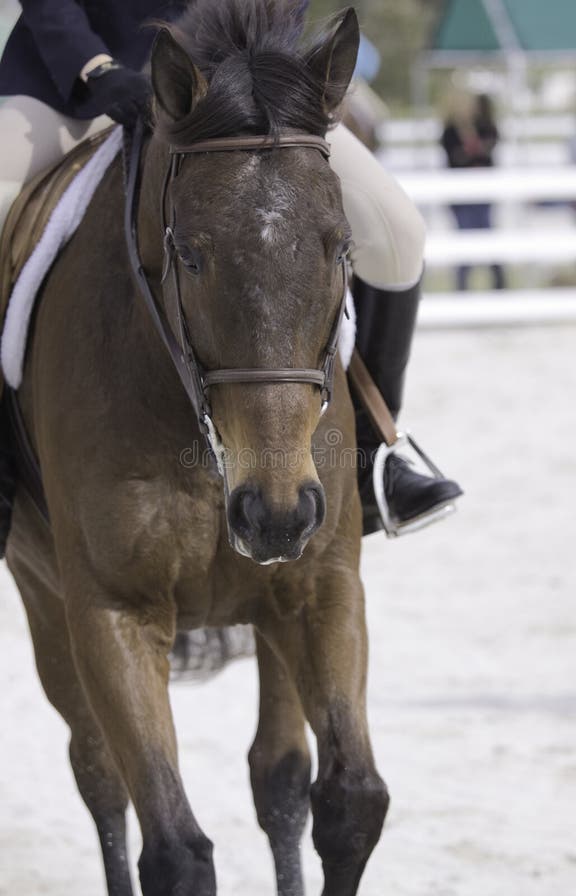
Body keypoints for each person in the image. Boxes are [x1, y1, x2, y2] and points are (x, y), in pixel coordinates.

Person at [0, 0, 462, 556]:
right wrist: (95, 68)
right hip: (76, 89)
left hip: (240, 94)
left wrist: (255, 71)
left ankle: (371, 458)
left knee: (399, 232)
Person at [440, 91, 506, 292]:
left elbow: (490, 145)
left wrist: (471, 152)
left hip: (483, 195)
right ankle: (462, 289)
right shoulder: (450, 132)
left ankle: (500, 286)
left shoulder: (484, 126)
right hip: (461, 199)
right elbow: (456, 158)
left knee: (489, 239)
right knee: (465, 242)